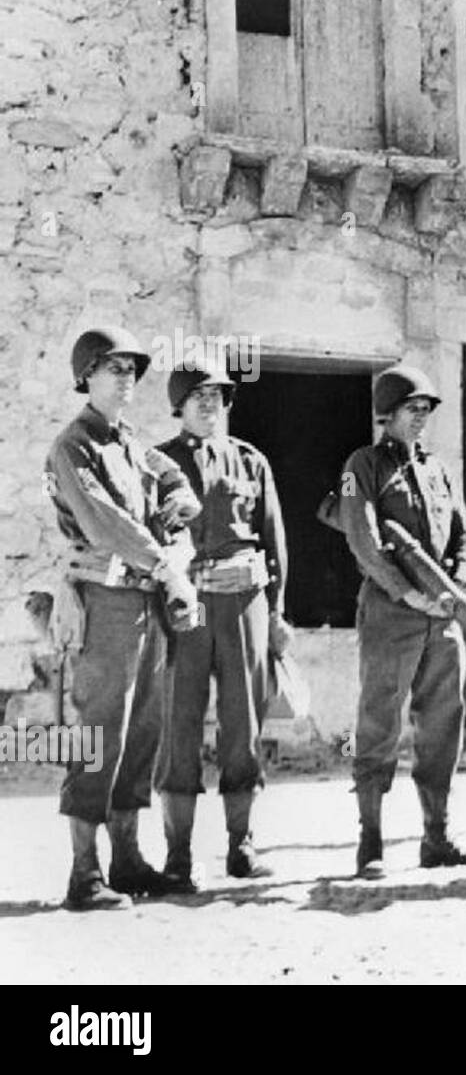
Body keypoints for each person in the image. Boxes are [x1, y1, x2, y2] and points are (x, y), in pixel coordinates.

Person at [44, 326, 201, 910]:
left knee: (143, 732)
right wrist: (167, 564)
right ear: (86, 375)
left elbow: (172, 478)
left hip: (145, 600)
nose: (125, 378)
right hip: (106, 601)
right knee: (98, 733)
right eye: (113, 368)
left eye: (132, 369)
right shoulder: (74, 445)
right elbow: (103, 520)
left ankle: (128, 861)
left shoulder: (131, 443)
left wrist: (179, 503)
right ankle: (84, 874)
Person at [339, 364, 466, 878]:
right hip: (391, 614)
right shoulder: (364, 466)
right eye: (411, 409)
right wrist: (408, 593)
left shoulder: (438, 470)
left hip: (443, 617)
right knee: (379, 722)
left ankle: (437, 836)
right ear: (388, 413)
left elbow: (464, 537)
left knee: (443, 725)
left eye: (426, 409)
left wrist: (457, 585)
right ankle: (371, 841)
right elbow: (365, 540)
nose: (420, 418)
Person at [154, 359, 290, 889]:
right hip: (185, 607)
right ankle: (178, 856)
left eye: (218, 396)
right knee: (178, 721)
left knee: (244, 723)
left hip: (244, 604)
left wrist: (278, 613)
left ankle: (242, 844)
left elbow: (274, 542)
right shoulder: (157, 463)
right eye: (199, 396)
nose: (210, 404)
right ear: (179, 405)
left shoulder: (250, 462)